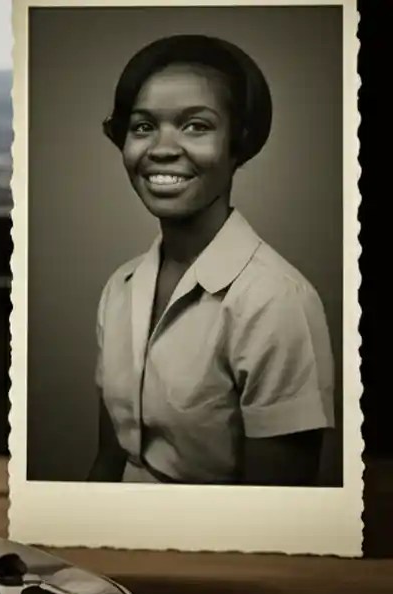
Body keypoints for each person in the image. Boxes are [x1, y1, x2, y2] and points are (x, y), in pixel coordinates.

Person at [86, 34, 335, 485]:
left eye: (196, 126)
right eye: (142, 127)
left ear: (237, 146)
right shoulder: (119, 288)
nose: (161, 148)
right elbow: (109, 462)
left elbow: (277, 513)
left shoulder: (276, 302)